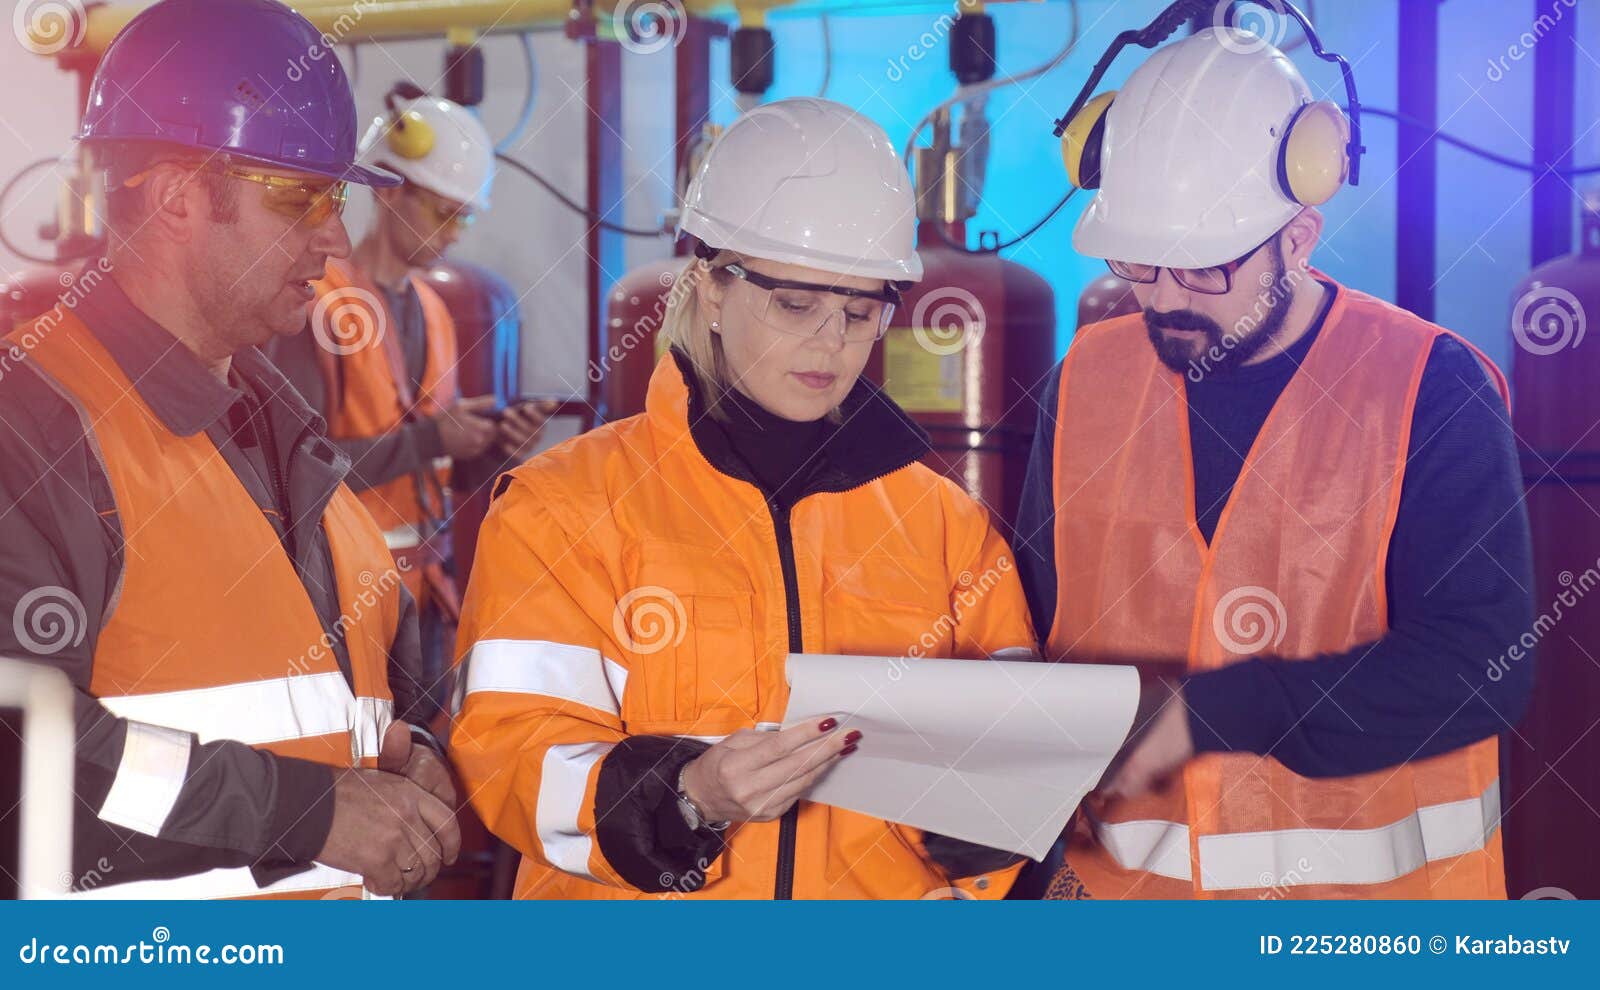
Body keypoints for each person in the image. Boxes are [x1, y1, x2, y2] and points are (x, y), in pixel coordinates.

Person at [449, 98, 1036, 899]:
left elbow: (1018, 759)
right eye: (796, 304)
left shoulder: (944, 523)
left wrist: (983, 851)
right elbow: (509, 755)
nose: (831, 339)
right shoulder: (563, 506)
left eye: (860, 310)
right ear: (713, 291)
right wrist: (688, 795)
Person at [1015, 25, 1533, 899]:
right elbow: (1025, 630)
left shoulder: (1426, 387)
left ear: (1300, 234)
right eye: (1140, 262)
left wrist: (1216, 712)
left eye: (1206, 269)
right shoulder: (1087, 384)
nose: (1166, 298)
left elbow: (1482, 668)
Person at [0, 0, 458, 898]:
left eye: (336, 199)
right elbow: (21, 753)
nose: (334, 240)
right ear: (176, 197)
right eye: (301, 198)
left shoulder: (275, 426)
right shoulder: (32, 430)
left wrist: (410, 755)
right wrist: (303, 811)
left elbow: (311, 704)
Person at [269, 84, 553, 722]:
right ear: (391, 191)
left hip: (425, 598)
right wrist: (433, 439)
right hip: (343, 603)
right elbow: (296, 471)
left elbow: (437, 480)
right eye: (443, 213)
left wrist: (493, 448)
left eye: (465, 218)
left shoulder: (435, 312)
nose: (455, 235)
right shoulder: (315, 305)